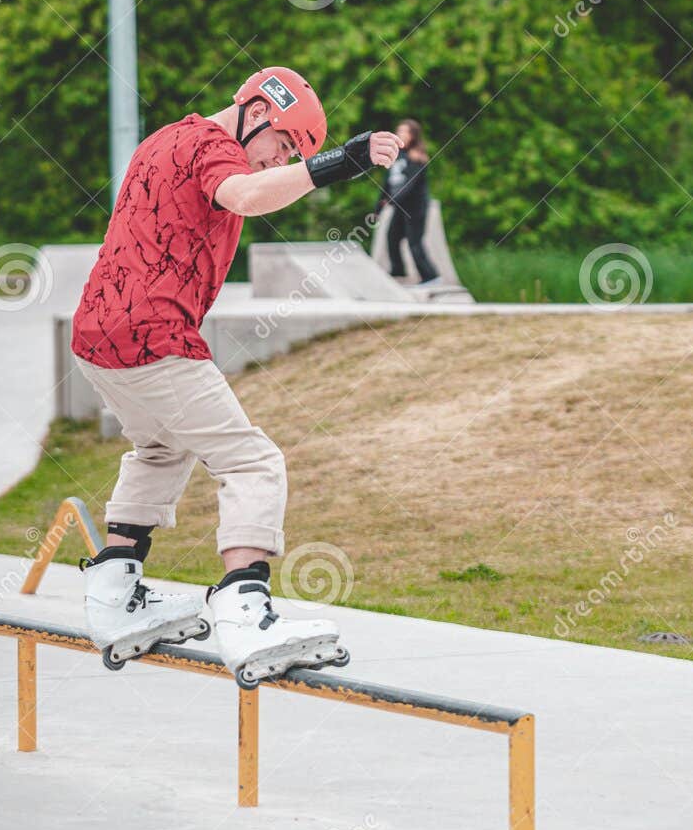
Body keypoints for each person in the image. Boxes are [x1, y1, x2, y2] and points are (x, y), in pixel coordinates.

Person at [71, 67, 401, 686]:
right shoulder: (214, 148)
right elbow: (244, 196)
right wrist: (341, 162)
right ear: (255, 112)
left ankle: (113, 592)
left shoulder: (165, 138)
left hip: (96, 335)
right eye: (281, 146)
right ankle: (245, 609)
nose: (278, 162)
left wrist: (297, 161)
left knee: (160, 447)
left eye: (291, 157)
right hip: (155, 338)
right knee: (252, 462)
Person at [376, 117, 441, 286]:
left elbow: (409, 184)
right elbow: (387, 183)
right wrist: (378, 208)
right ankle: (398, 271)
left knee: (414, 242)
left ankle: (431, 276)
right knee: (392, 237)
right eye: (399, 131)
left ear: (413, 136)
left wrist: (392, 200)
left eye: (404, 132)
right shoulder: (395, 155)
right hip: (399, 206)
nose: (400, 134)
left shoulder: (417, 157)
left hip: (415, 207)